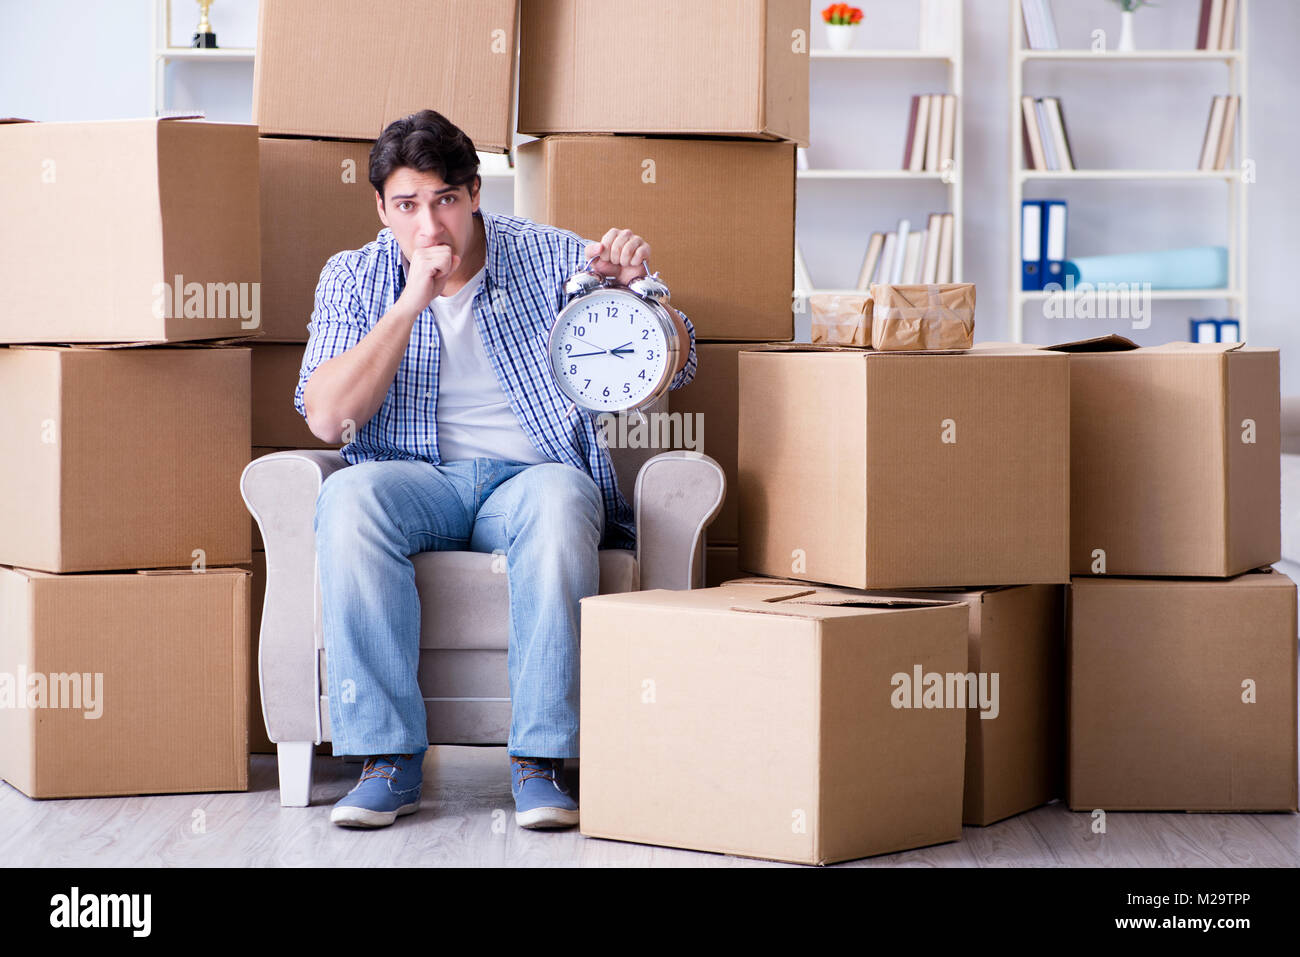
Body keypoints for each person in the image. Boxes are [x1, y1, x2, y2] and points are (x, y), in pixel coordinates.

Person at [293, 109, 698, 830]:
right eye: (408, 206)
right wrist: (412, 301)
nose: (430, 226)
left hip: (529, 478)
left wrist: (643, 294)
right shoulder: (354, 276)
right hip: (412, 478)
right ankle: (388, 761)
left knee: (562, 497)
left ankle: (540, 762)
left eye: (445, 200)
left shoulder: (552, 259)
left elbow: (679, 364)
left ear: (476, 193)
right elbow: (327, 418)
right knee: (348, 497)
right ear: (381, 208)